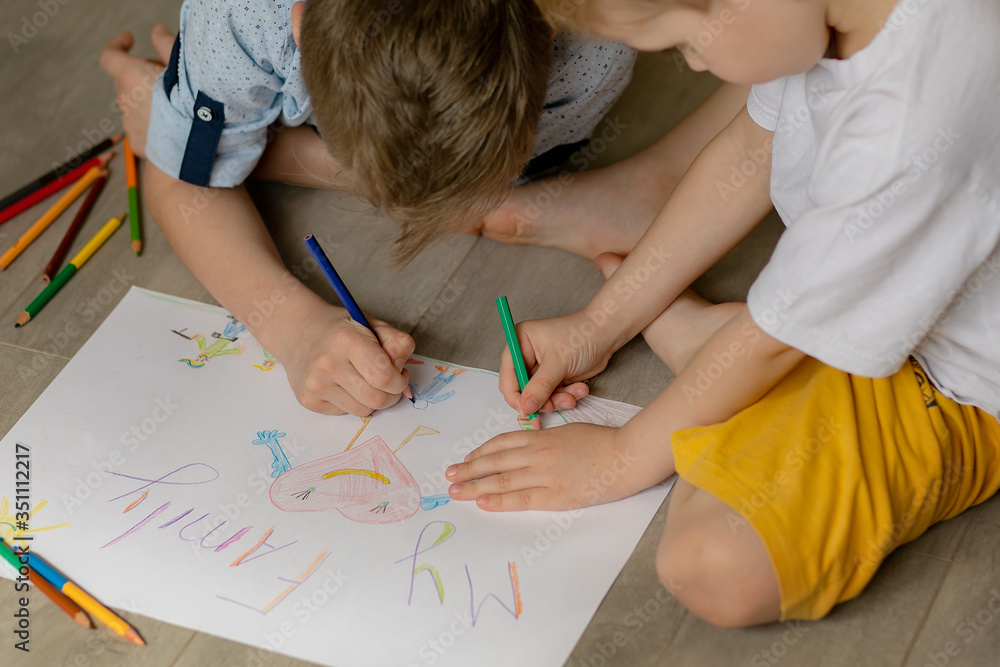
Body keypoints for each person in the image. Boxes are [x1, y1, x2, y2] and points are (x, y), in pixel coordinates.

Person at [445, 0, 1000, 627]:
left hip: (957, 384)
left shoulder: (914, 115)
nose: (694, 60)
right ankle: (744, 356)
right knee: (763, 353)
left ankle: (750, 364)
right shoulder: (826, 18)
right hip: (837, 317)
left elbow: (772, 342)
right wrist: (601, 324)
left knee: (713, 566)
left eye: (684, 41)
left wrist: (621, 459)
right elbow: (752, 147)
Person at [98, 0, 643, 417]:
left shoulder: (595, 45)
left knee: (182, 131)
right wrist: (291, 325)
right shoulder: (243, 14)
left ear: (548, 29)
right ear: (299, 22)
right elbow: (184, 190)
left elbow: (476, 181)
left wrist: (198, 132)